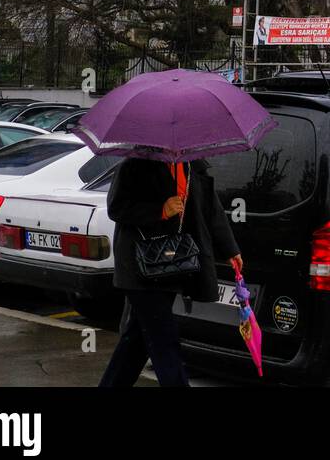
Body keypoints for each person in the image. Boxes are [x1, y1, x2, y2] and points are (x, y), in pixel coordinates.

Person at [99, 156, 241, 387]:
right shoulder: (134, 163)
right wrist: (160, 210)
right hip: (139, 266)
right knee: (164, 340)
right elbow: (116, 207)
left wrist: (230, 249)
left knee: (137, 341)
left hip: (172, 263)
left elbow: (211, 208)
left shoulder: (192, 163)